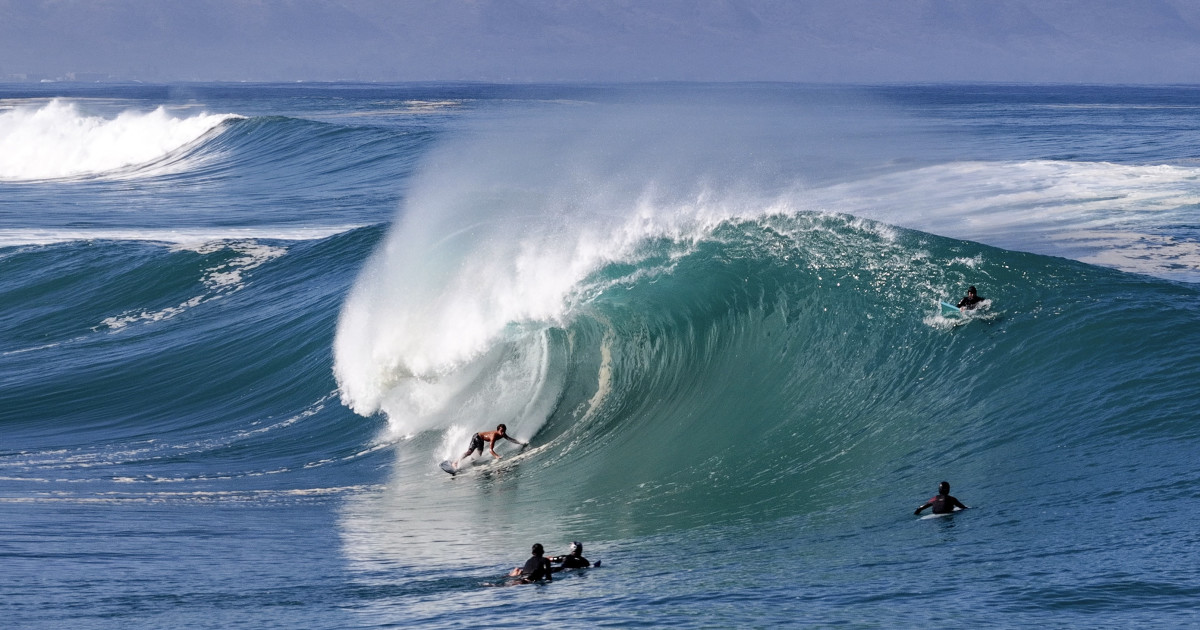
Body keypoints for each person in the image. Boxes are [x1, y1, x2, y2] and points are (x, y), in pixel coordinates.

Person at [454, 423, 527, 468]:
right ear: (498, 430)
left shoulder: (502, 434)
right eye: (501, 431)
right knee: (470, 452)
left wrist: (521, 443)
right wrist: (496, 456)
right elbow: (490, 450)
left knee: (478, 455)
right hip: (476, 437)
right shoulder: (494, 436)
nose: (502, 433)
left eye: (504, 431)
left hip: (481, 440)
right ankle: (456, 462)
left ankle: (468, 462)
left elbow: (510, 439)